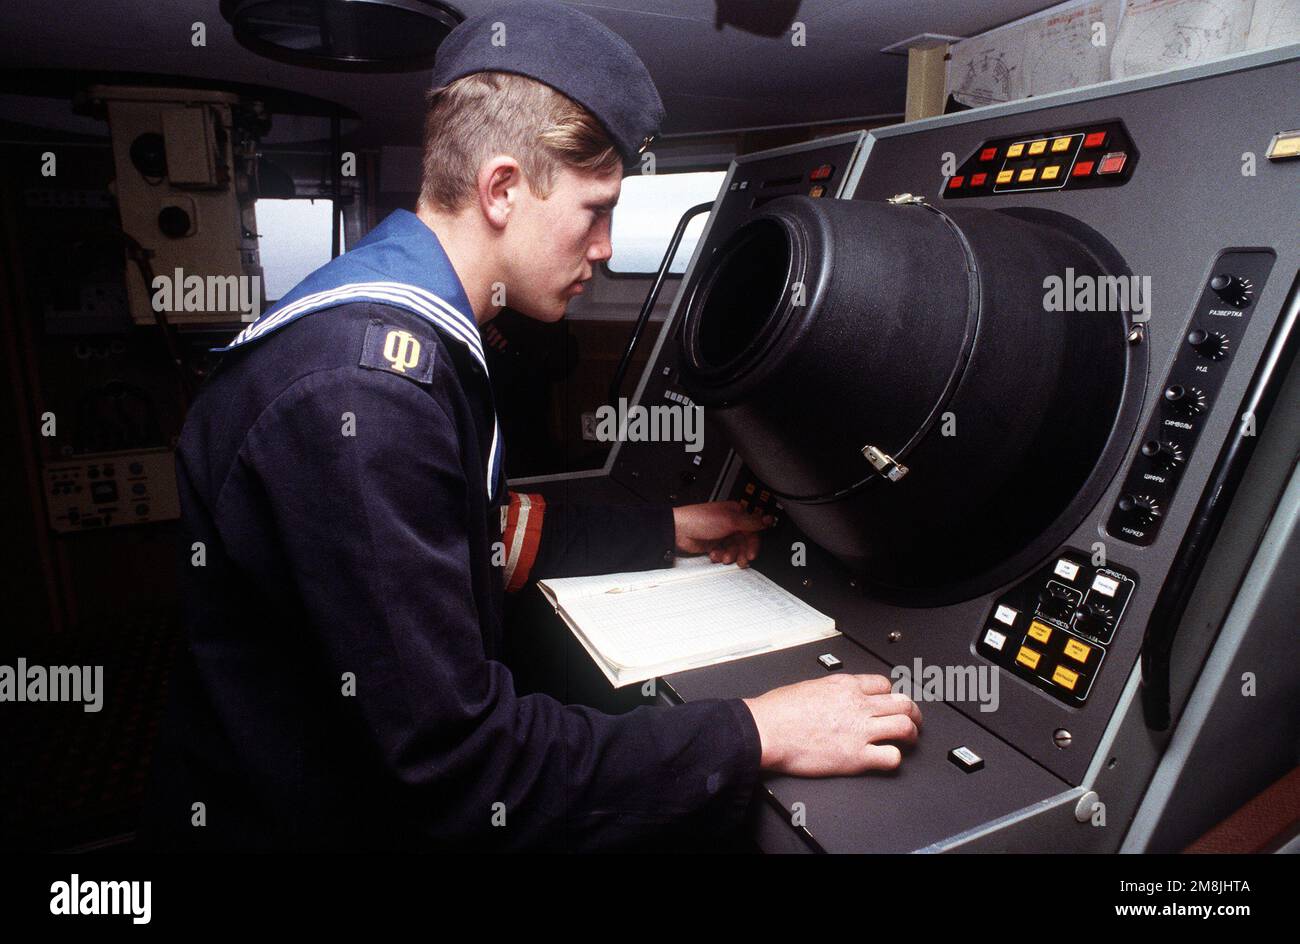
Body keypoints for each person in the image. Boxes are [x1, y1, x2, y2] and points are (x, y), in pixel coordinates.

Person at [141, 0, 921, 852]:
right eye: (595, 209)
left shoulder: (402, 333)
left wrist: (665, 527)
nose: (605, 248)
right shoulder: (366, 396)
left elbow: (480, 535)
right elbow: (464, 773)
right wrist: (758, 731)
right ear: (503, 188)